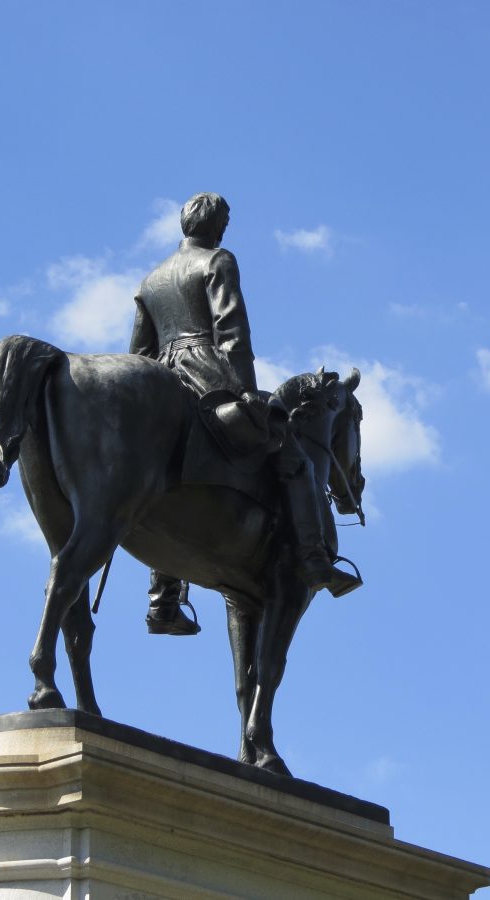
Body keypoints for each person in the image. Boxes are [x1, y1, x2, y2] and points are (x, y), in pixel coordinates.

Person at [130, 192, 361, 635]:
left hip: (162, 381)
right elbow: (231, 328)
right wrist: (245, 392)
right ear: (214, 225)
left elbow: (139, 353)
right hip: (207, 377)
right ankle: (315, 559)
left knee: (161, 476)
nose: (225, 229)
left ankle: (163, 600)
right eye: (225, 221)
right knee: (291, 451)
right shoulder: (219, 259)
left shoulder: (150, 280)